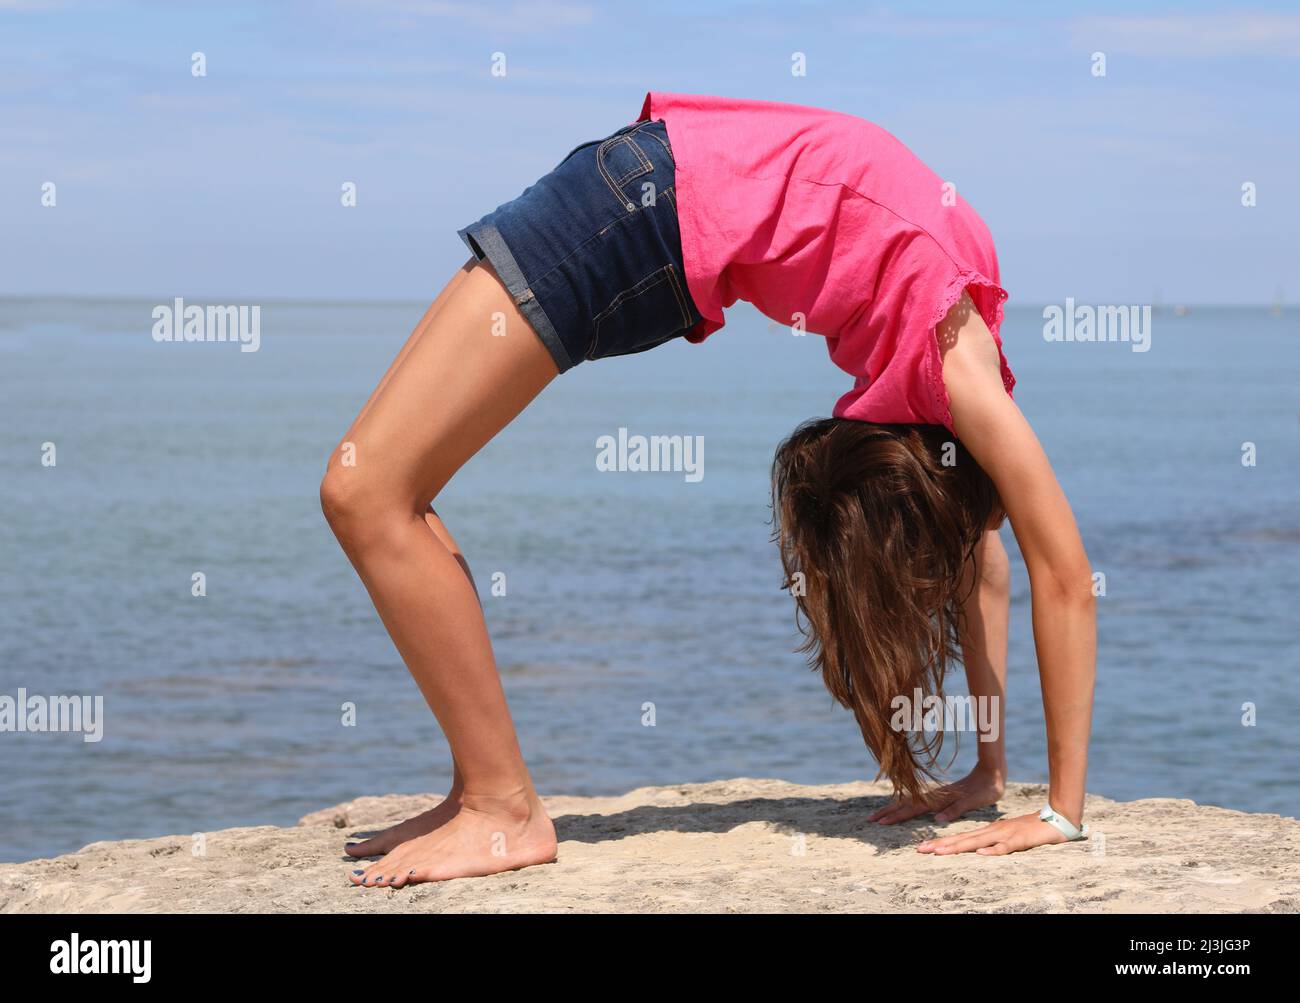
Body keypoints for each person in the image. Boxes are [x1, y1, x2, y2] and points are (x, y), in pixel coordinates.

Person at [320, 92, 1097, 887]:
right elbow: (1063, 574)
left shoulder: (952, 355)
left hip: (640, 190)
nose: (984, 529)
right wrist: (1059, 812)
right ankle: (492, 801)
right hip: (643, 211)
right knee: (373, 491)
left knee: (370, 488)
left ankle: (491, 798)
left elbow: (989, 559)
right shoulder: (960, 374)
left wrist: (990, 772)